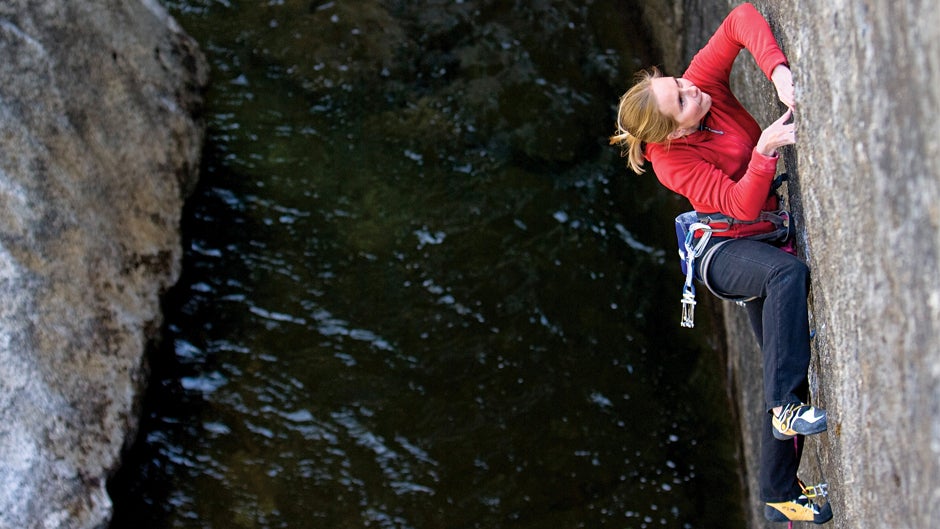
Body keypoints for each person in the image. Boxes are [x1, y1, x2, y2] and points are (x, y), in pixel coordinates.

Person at [609, 3, 832, 525]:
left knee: (784, 361)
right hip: (723, 254)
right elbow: (736, 206)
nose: (691, 89)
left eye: (678, 84)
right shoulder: (671, 162)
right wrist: (765, 149)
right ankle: (785, 410)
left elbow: (740, 19)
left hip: (752, 234)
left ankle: (778, 494)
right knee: (786, 276)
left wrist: (778, 72)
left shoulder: (699, 83)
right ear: (669, 135)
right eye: (681, 100)